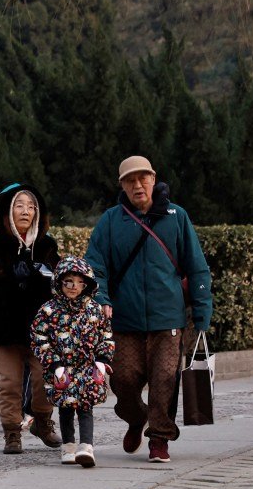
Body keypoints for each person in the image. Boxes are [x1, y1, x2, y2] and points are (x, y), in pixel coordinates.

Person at [84, 156, 212, 463]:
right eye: (130, 180)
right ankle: (136, 417)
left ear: (154, 179)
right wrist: (101, 299)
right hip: (124, 320)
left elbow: (197, 266)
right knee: (122, 381)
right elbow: (94, 266)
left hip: (167, 317)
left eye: (143, 178)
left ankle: (159, 438)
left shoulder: (176, 216)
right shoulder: (112, 220)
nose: (137, 185)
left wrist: (202, 310)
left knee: (165, 379)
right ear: (122, 186)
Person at [0, 183, 63, 454]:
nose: (26, 211)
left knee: (43, 378)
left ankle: (42, 421)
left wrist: (33, 276)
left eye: (31, 206)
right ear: (7, 211)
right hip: (5, 324)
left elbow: (53, 281)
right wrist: (21, 276)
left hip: (40, 327)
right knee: (10, 383)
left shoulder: (47, 244)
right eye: (19, 205)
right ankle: (12, 432)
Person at [30, 256, 115, 468]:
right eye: (68, 281)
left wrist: (102, 360)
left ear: (87, 284)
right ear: (59, 282)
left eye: (79, 282)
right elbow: (39, 338)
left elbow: (106, 335)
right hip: (62, 368)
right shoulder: (48, 310)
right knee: (65, 407)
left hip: (87, 367)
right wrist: (55, 364)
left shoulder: (94, 309)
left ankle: (86, 446)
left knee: (85, 406)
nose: (73, 287)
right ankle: (68, 445)